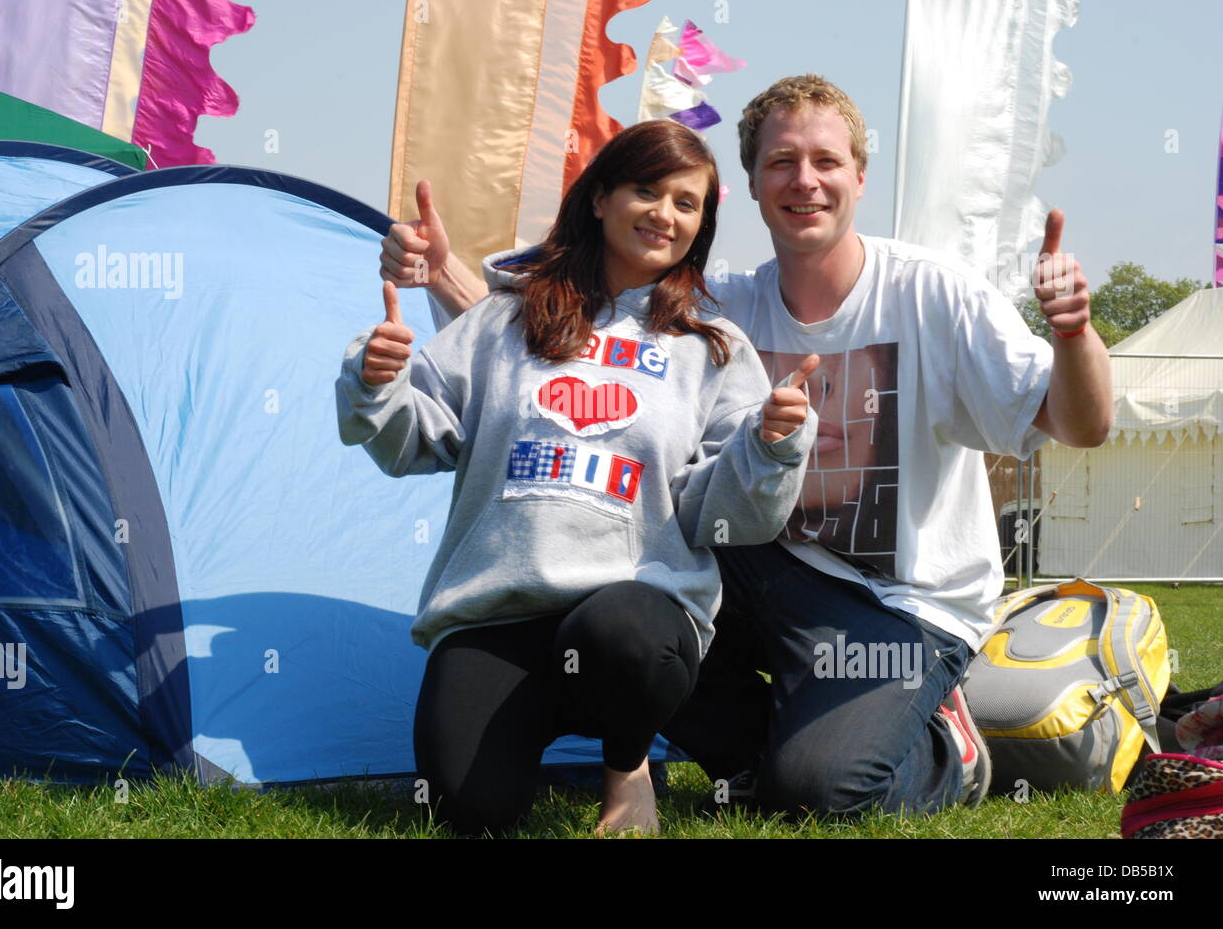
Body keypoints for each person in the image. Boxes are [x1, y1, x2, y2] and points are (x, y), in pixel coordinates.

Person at [379, 74, 1112, 819]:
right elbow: (563, 349)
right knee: (633, 582)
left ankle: (941, 754)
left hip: (898, 604)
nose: (806, 181)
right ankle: (748, 754)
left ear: (860, 174)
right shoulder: (719, 307)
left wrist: (1074, 334)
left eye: (826, 161)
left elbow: (1083, 426)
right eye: (781, 163)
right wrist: (441, 273)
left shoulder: (933, 294)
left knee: (819, 790)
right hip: (757, 564)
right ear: (753, 189)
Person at [336, 119, 819, 835]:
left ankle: (629, 769)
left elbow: (732, 517)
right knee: (468, 810)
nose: (664, 213)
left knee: (625, 629)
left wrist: (772, 446)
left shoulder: (711, 350)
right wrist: (376, 381)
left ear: (702, 226)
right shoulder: (503, 320)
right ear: (598, 197)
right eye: (646, 190)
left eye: (687, 204)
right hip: (498, 615)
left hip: (631, 624)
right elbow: (412, 441)